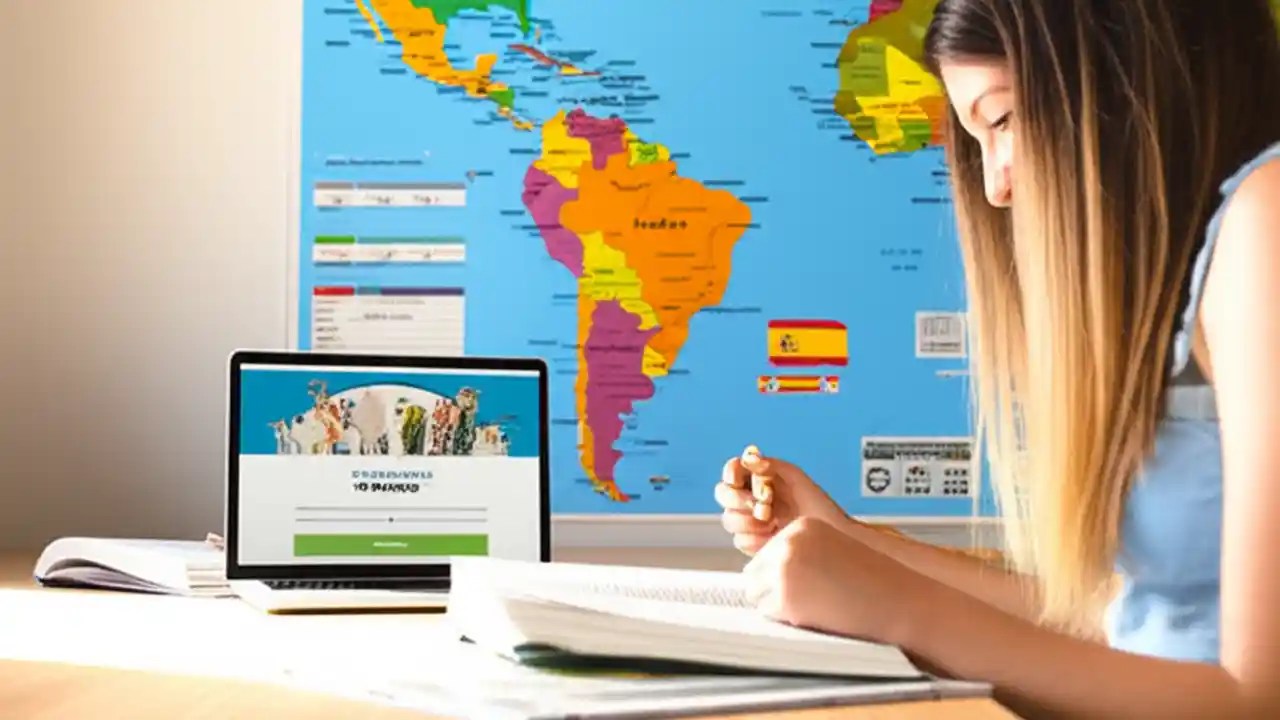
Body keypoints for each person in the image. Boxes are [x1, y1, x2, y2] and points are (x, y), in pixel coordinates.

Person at [715, 1, 1280, 717]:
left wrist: (900, 611)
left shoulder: (1269, 221)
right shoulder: (1202, 263)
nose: (995, 187)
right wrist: (852, 543)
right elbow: (1119, 617)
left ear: (1122, 79)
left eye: (1004, 120)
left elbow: (1257, 700)